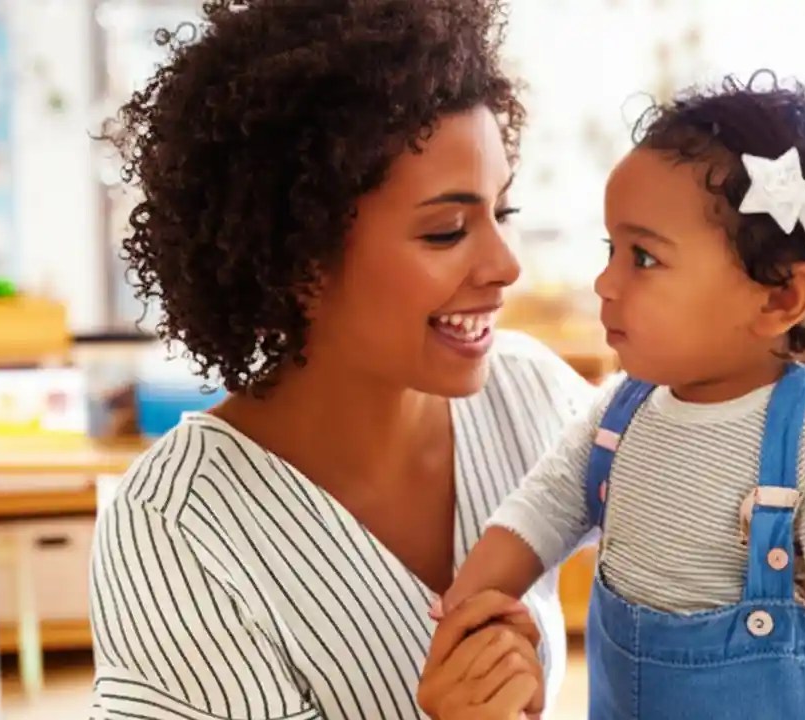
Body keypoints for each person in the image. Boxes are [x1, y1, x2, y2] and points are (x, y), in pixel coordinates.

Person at [88, 1, 590, 718]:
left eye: (500, 213)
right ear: (299, 258)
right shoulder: (178, 527)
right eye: (447, 230)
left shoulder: (528, 394)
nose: (507, 266)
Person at [436, 72, 805, 719]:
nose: (605, 282)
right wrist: (469, 619)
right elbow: (537, 511)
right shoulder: (618, 418)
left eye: (645, 258)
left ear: (779, 297)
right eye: (612, 249)